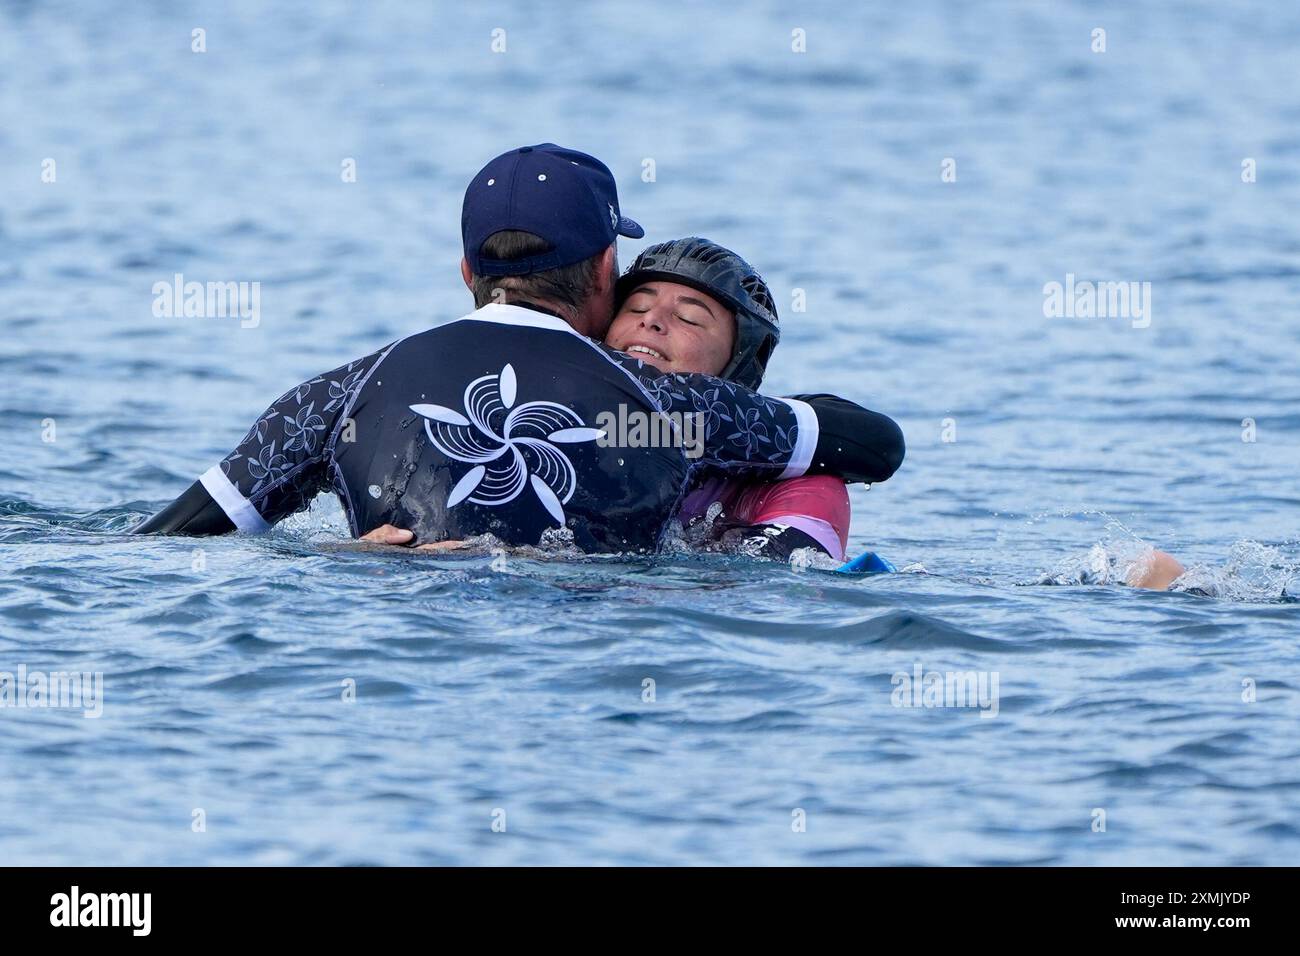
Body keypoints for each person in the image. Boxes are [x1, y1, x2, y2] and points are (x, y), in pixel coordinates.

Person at [134, 144, 904, 554]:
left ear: (467, 273)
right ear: (606, 271)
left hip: (383, 629)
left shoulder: (338, 396)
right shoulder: (668, 410)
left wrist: (336, 568)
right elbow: (877, 444)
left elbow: (156, 556)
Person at [366, 237, 883, 563]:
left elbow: (771, 588)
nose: (651, 322)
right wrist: (360, 556)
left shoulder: (803, 484)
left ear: (742, 361)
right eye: (634, 306)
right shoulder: (544, 440)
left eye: (690, 317)